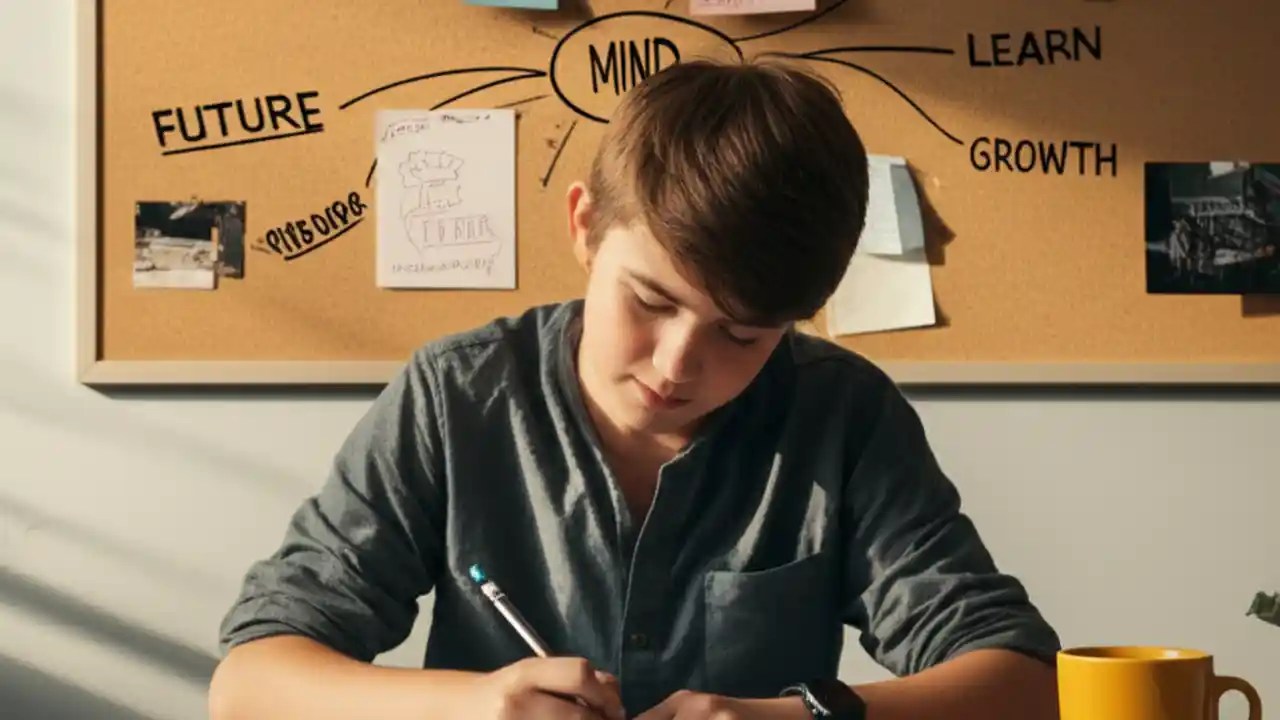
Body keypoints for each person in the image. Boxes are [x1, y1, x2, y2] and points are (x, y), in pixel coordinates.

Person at [208, 58, 1061, 720]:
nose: (677, 364)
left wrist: (808, 713)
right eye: (650, 301)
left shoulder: (841, 414)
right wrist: (468, 703)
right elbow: (250, 682)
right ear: (583, 225)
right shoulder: (454, 397)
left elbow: (1025, 683)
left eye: (744, 335)